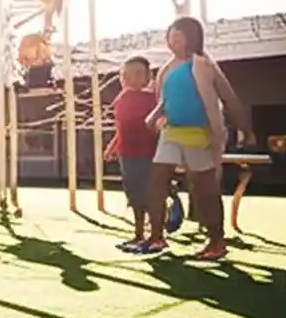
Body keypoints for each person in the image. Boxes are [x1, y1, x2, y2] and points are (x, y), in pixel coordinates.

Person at [139, 17, 254, 260]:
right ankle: (157, 236)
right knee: (157, 179)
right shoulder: (165, 69)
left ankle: (216, 241)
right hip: (171, 132)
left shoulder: (203, 65)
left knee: (204, 187)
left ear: (192, 38)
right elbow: (164, 101)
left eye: (179, 35)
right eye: (171, 35)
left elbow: (228, 97)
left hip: (199, 133)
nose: (173, 40)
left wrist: (245, 128)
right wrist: (154, 117)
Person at [103, 57, 159, 249]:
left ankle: (156, 235)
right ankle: (138, 234)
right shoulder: (121, 98)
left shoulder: (153, 98)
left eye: (137, 74)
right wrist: (112, 146)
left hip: (148, 153)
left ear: (148, 76)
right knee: (133, 193)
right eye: (126, 74)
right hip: (127, 153)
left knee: (149, 193)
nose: (131, 78)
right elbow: (121, 128)